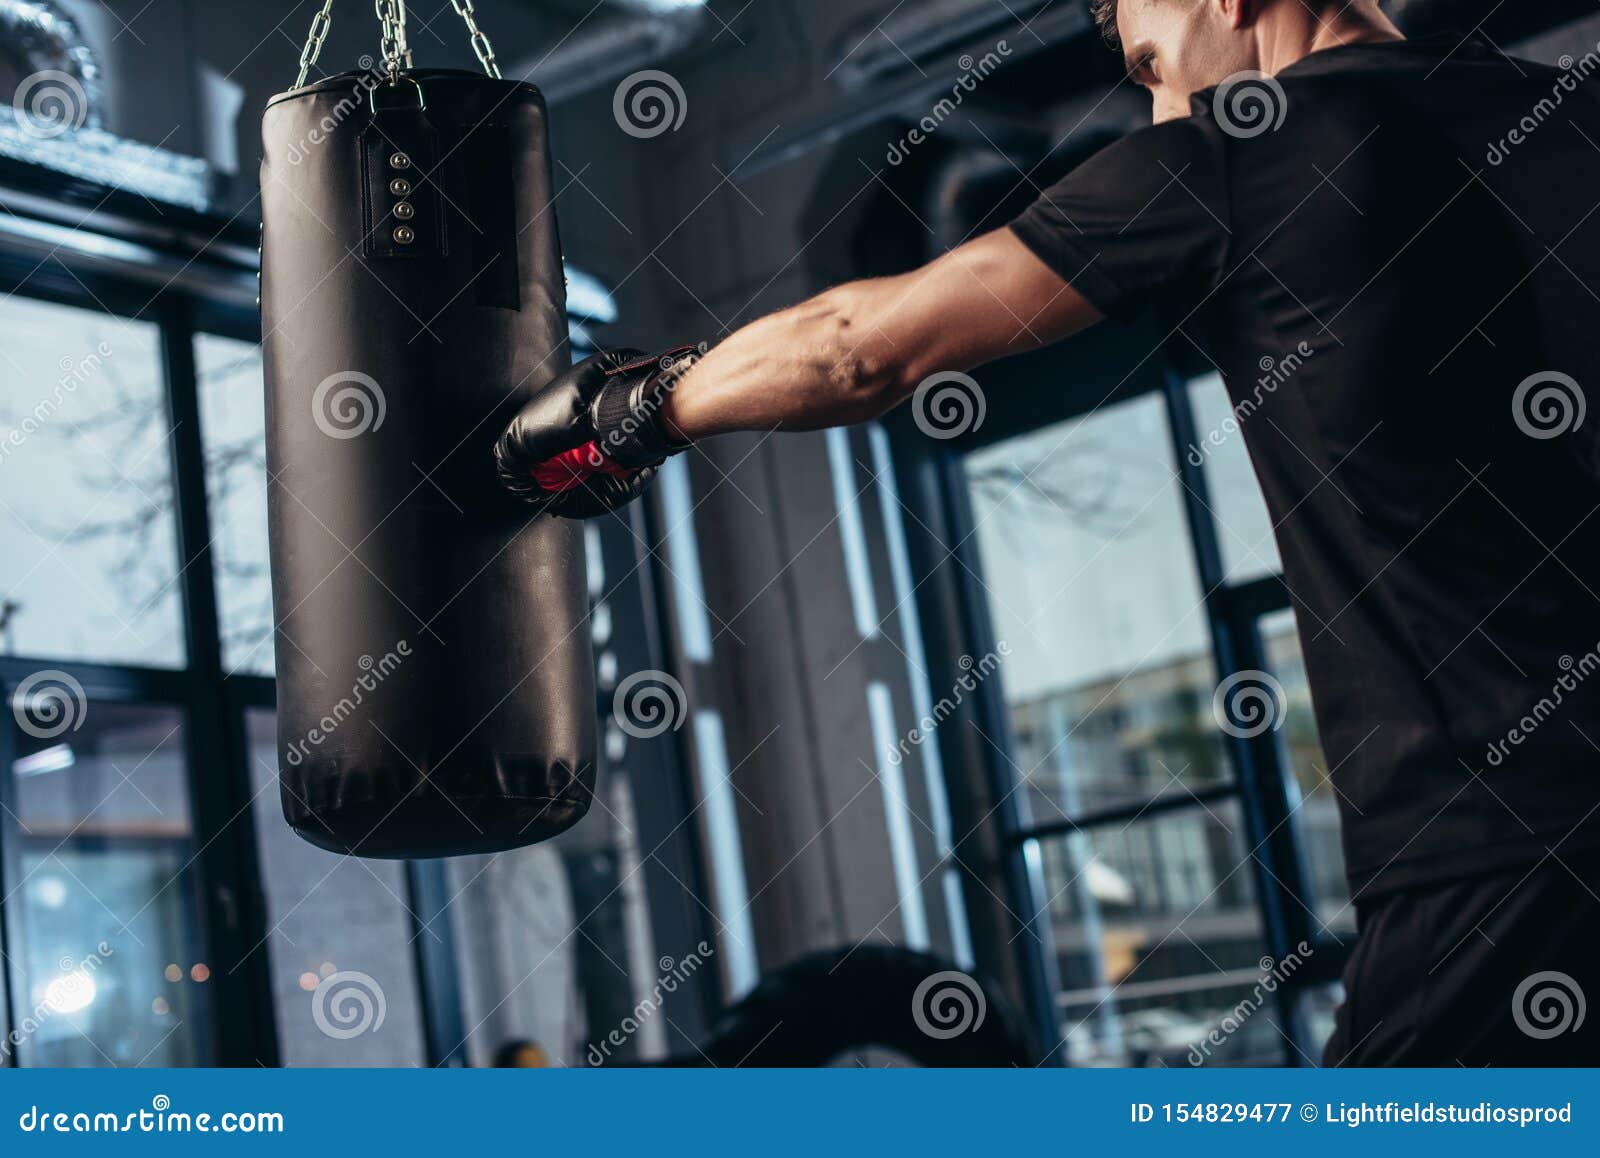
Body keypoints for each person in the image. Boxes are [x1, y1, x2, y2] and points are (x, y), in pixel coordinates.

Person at [496, 0, 1600, 1065]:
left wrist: (625, 417)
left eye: (1155, 70)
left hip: (1500, 849)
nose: (1164, 117)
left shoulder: (1242, 152)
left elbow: (855, 348)